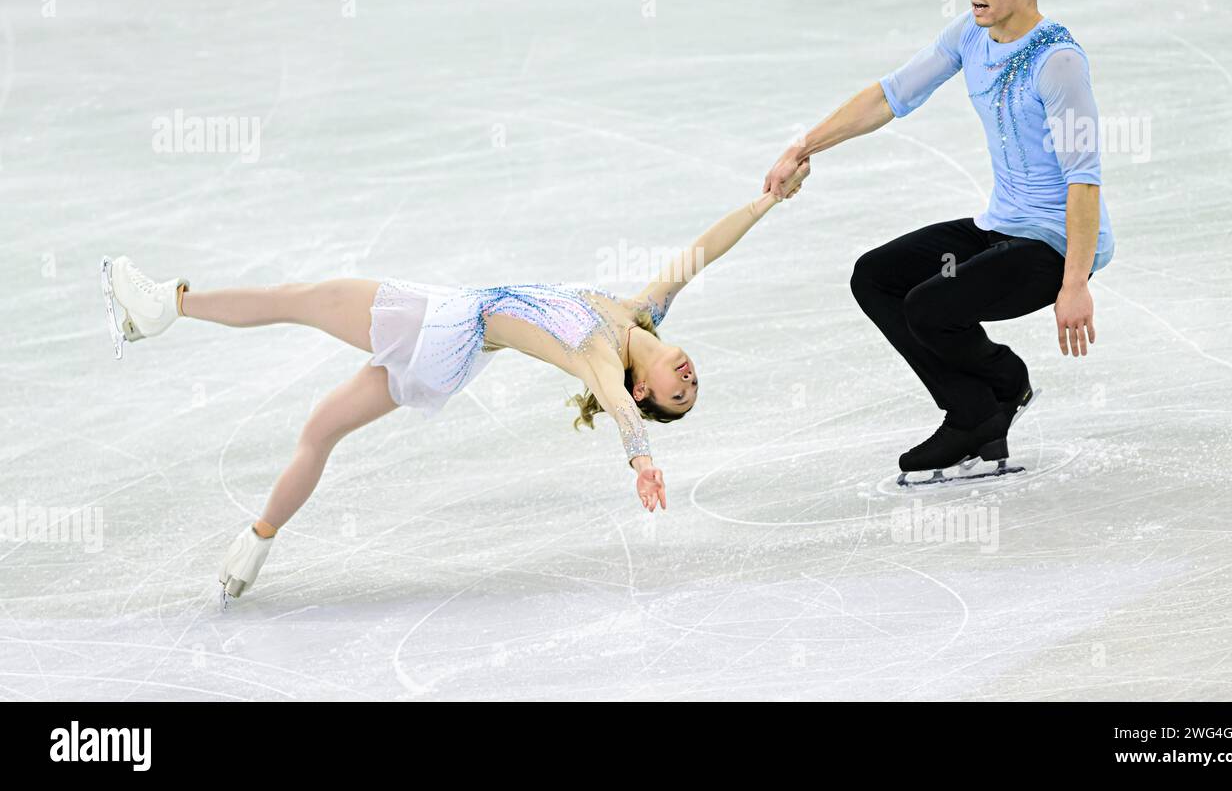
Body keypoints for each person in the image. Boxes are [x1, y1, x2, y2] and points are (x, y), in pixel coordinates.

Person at [100, 163, 808, 600]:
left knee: (300, 296)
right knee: (320, 430)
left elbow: (616, 402)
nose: (688, 378)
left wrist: (643, 457)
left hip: (443, 325)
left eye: (679, 396)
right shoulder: (638, 313)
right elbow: (700, 253)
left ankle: (167, 306)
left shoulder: (601, 354)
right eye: (693, 380)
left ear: (647, 394)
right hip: (455, 357)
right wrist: (768, 199)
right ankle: (256, 541)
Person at [763, 0, 1114, 475]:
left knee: (931, 305)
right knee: (876, 275)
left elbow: (1085, 179)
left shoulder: (1060, 63)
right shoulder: (971, 35)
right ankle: (975, 413)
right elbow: (890, 95)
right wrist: (804, 147)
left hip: (1052, 244)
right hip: (999, 227)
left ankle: (1004, 383)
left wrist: (1074, 283)